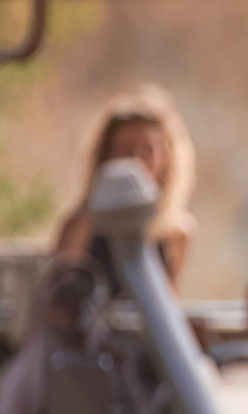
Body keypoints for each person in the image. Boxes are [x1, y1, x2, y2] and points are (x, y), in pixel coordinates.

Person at [52, 85, 197, 291]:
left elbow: (169, 304)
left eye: (147, 150)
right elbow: (57, 300)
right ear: (107, 156)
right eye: (126, 149)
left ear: (165, 159)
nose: (136, 161)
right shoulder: (81, 225)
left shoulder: (178, 232)